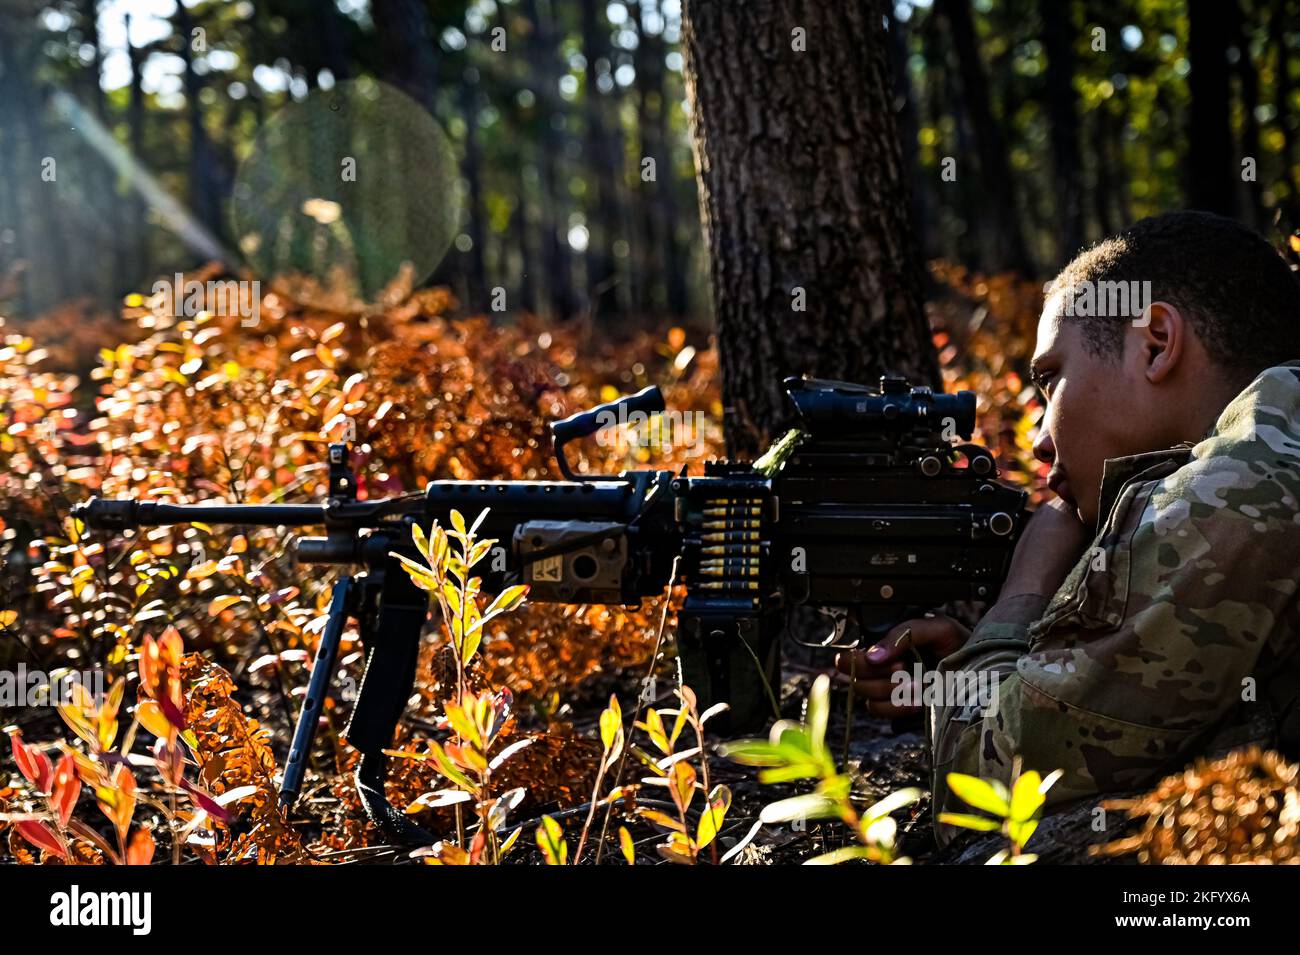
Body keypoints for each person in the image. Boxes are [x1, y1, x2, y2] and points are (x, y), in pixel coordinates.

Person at [833, 210, 1300, 841]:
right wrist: (1006, 663)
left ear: (1156, 342)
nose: (1039, 439)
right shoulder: (1279, 433)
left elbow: (988, 788)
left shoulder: (1239, 485)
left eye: (1050, 379)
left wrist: (1024, 590)